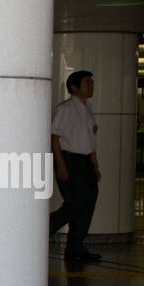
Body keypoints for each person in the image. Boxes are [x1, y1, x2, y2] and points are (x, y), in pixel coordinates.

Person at [50, 70, 102, 262]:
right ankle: (42, 231)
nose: (91, 85)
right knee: (75, 204)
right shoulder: (65, 109)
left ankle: (75, 247)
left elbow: (91, 140)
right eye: (87, 82)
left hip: (85, 162)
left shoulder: (89, 109)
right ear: (74, 87)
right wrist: (61, 166)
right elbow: (54, 138)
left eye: (92, 82)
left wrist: (95, 165)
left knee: (88, 204)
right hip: (69, 160)